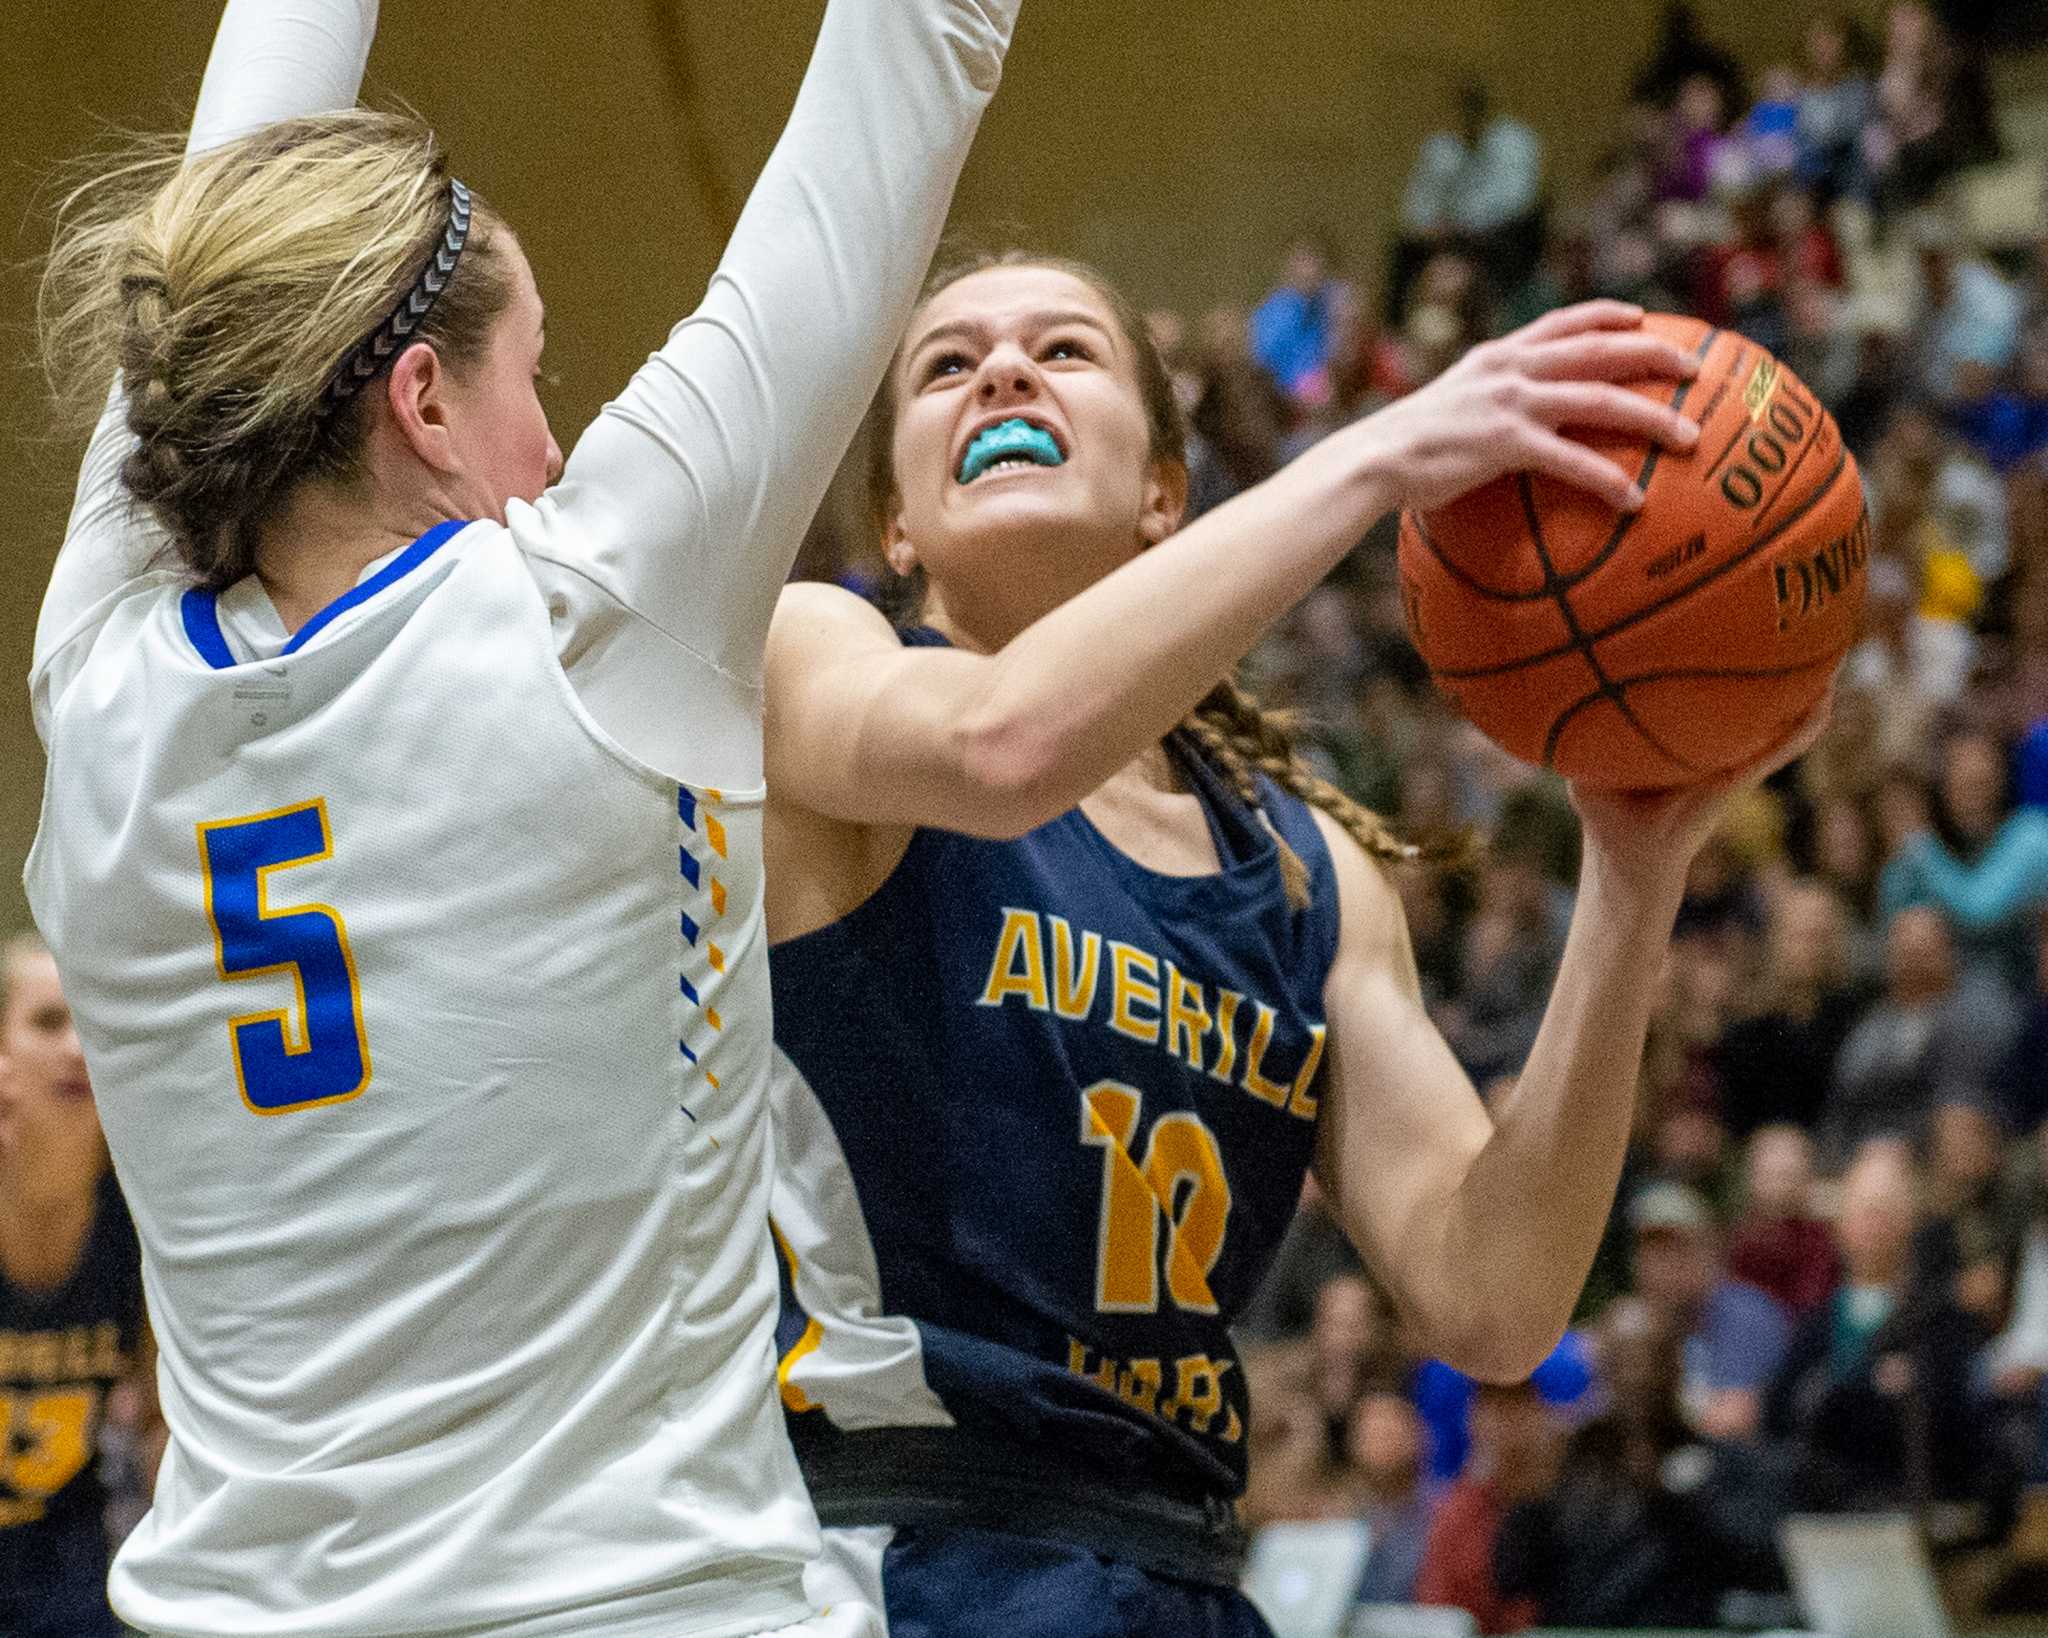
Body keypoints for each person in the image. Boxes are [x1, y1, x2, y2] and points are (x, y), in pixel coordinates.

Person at [26, 0, 1021, 1632]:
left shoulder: (97, 678)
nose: (557, 442)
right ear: (421, 400)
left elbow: (205, 245)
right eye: (532, 373)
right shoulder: (592, 610)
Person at [757, 239, 1822, 1634]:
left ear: (1163, 494)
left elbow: (1496, 1296)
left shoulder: (1309, 872)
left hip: (1186, 1571)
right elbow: (1002, 740)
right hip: (902, 1554)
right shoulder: (813, 652)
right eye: (946, 365)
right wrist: (1379, 454)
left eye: (1063, 349)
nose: (1003, 367)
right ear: (898, 519)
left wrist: (1631, 874)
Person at [0, 937, 159, 1638]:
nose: (75, 1048)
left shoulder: (146, 1218)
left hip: (72, 1592)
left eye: (93, 1025)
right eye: (47, 1022)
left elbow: (158, 1425)